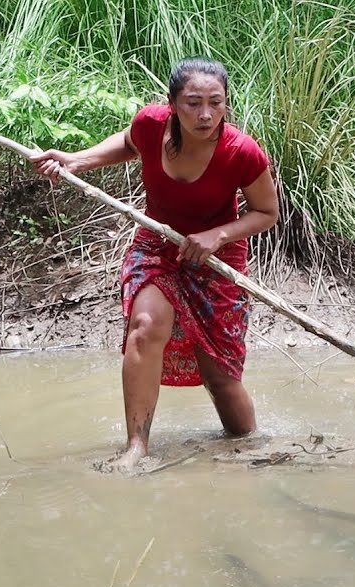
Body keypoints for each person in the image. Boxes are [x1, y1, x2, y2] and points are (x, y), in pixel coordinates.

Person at [32, 57, 279, 471]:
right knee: (145, 329)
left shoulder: (242, 152)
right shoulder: (151, 124)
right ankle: (136, 448)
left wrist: (217, 235)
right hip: (158, 245)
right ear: (172, 105)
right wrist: (77, 159)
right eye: (192, 103)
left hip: (217, 259)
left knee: (221, 378)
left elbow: (267, 212)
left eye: (215, 103)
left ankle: (250, 447)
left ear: (226, 104)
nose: (205, 115)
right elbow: (131, 143)